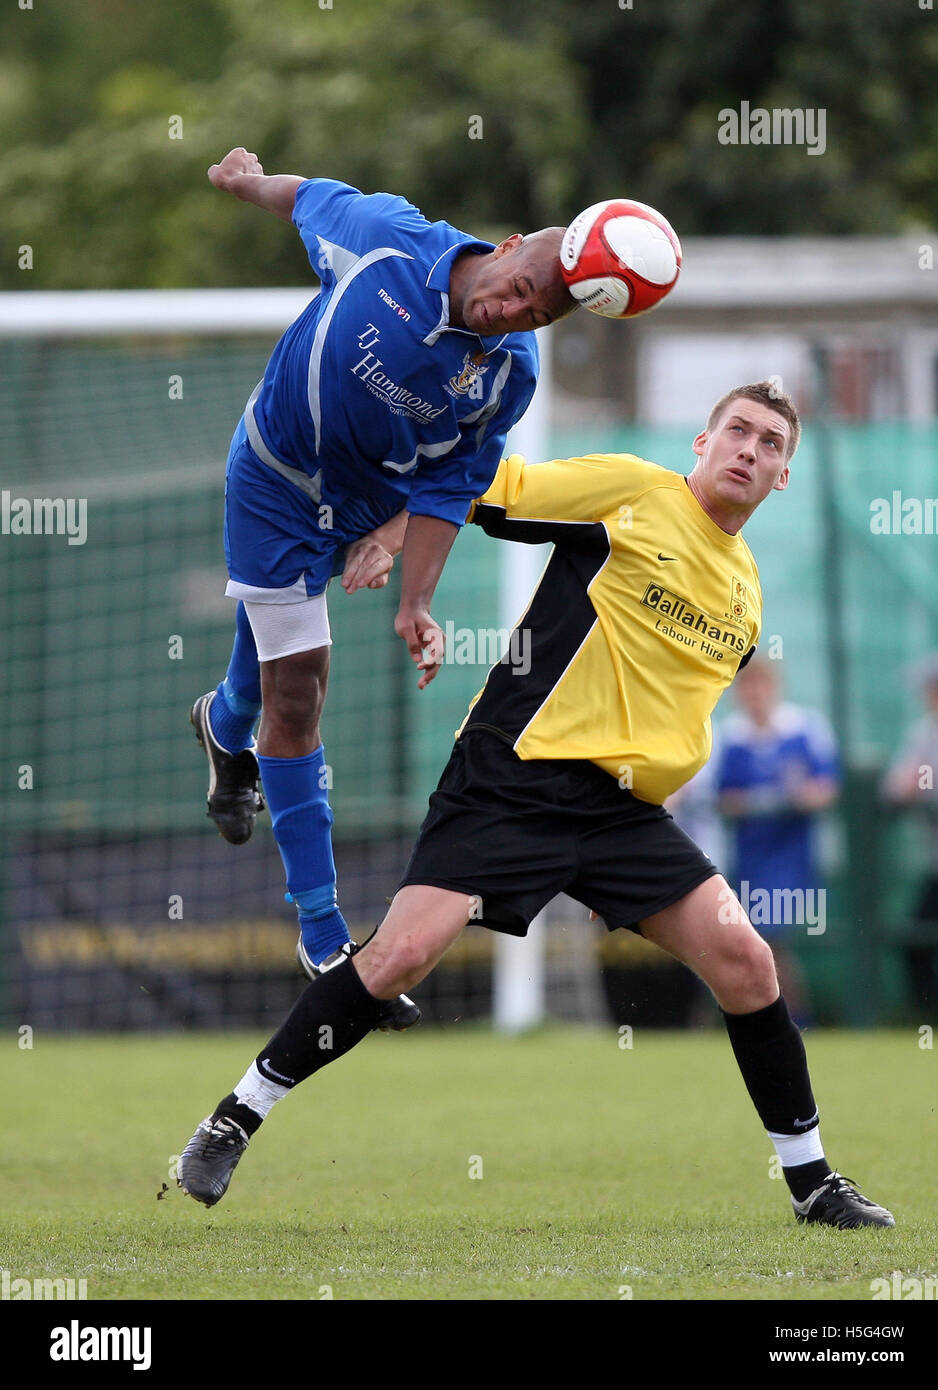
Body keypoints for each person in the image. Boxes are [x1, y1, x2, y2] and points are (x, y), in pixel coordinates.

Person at [177, 381, 894, 1230]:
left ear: (781, 478)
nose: (750, 448)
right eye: (736, 430)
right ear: (701, 444)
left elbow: (672, 715)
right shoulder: (633, 493)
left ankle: (814, 1185)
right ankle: (234, 1116)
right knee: (401, 957)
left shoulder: (745, 593)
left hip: (622, 817)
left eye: (771, 443)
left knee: (747, 964)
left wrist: (615, 872)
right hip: (512, 778)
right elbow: (489, 487)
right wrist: (401, 530)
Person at [190, 148, 577, 1022]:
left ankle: (221, 725)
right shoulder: (388, 241)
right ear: (509, 244)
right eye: (521, 285)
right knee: (300, 685)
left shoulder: (508, 371)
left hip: (368, 507)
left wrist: (414, 592)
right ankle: (324, 932)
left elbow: (452, 482)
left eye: (538, 312)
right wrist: (248, 181)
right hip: (276, 485)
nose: (513, 309)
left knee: (265, 679)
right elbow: (304, 198)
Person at [715, 658, 840, 1021]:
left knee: (770, 940)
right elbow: (724, 798)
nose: (754, 695)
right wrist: (762, 801)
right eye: (747, 688)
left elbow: (826, 788)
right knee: (759, 942)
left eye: (761, 686)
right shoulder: (732, 739)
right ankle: (784, 1020)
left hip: (792, 856)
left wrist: (799, 798)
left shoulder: (804, 730)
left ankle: (792, 1020)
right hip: (749, 858)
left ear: (775, 688)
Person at [882, 653, 938, 1020]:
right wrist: (905, 788)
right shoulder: (925, 734)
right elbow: (897, 788)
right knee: (917, 943)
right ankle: (936, 1020)